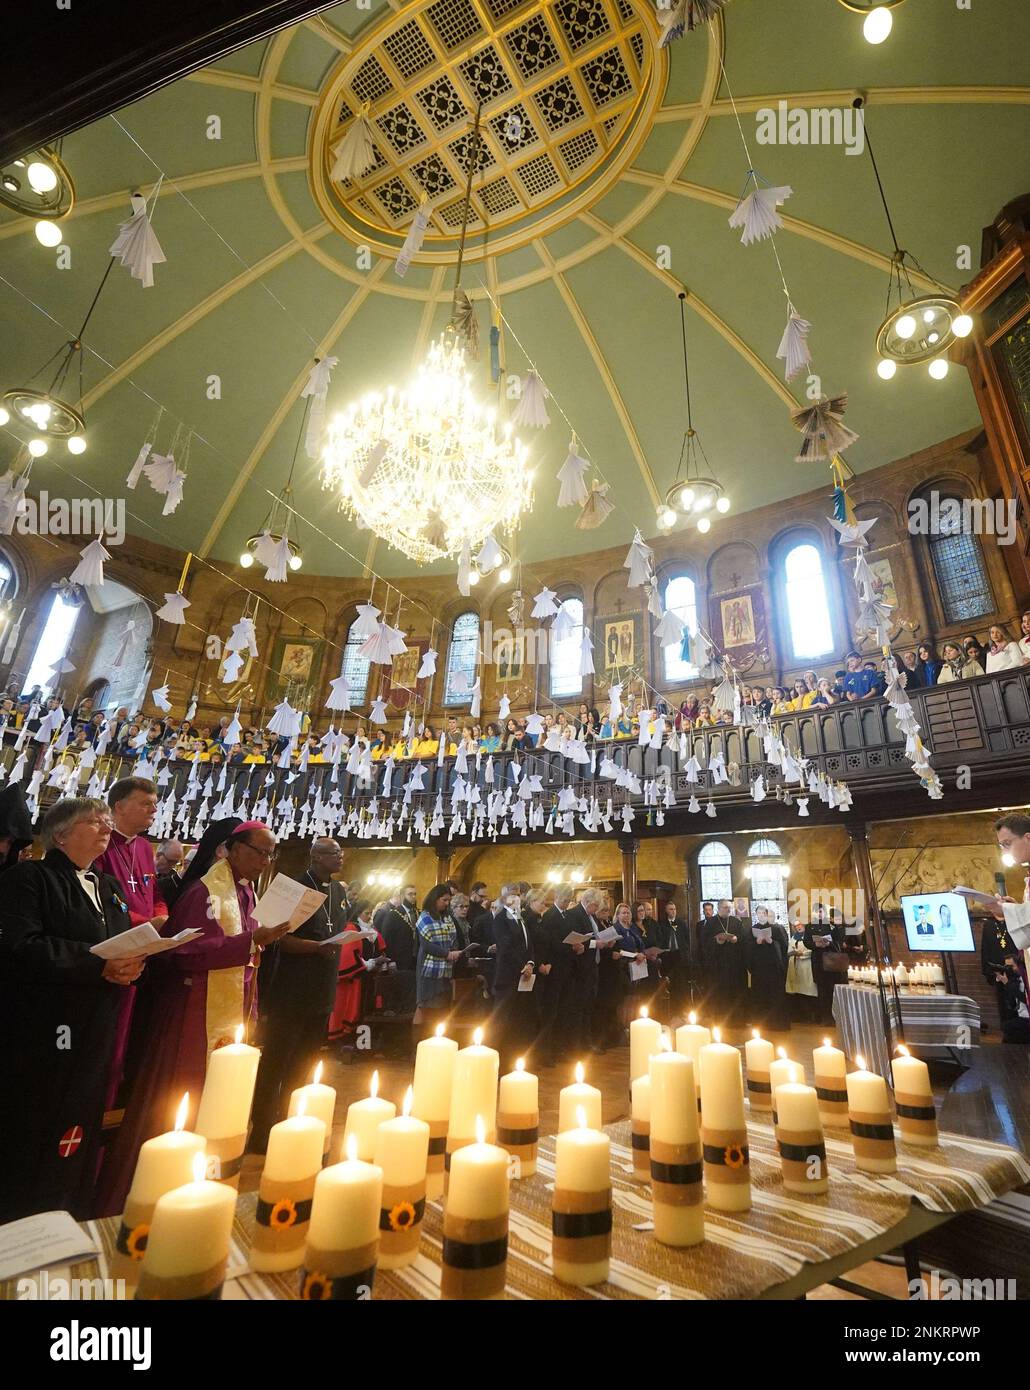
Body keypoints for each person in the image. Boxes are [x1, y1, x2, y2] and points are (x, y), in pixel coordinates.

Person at [0, 797, 146, 1223]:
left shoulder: (109, 887)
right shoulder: (29, 878)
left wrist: (133, 964)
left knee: (81, 1117)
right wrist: (100, 963)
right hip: (43, 1025)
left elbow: (120, 943)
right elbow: (19, 946)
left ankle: (69, 1209)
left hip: (97, 1022)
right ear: (60, 834)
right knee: (38, 1119)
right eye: (94, 821)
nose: (105, 826)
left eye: (106, 820)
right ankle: (23, 1219)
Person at [248, 838, 346, 1151]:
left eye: (341, 853)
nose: (340, 858)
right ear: (315, 856)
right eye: (334, 853)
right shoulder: (289, 887)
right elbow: (270, 938)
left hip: (322, 987)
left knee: (304, 1060)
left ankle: (292, 1120)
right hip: (290, 989)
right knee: (277, 1060)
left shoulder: (339, 891)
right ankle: (262, 1129)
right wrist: (314, 947)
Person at [93, 776, 168, 1109]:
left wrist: (161, 916)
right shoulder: (99, 844)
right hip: (110, 954)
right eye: (145, 803)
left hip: (144, 950)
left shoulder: (143, 847)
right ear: (119, 806)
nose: (153, 809)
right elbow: (99, 898)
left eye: (154, 803)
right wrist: (144, 923)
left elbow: (154, 892)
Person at [489, 885, 537, 1068]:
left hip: (523, 975)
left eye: (518, 895)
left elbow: (528, 944)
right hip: (508, 976)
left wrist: (531, 963)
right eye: (512, 895)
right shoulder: (501, 918)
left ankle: (514, 1060)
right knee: (502, 1022)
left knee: (518, 1021)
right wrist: (521, 967)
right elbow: (505, 947)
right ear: (504, 898)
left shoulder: (519, 917)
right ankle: (498, 1064)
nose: (517, 898)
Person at [328, 899, 386, 1047]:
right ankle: (343, 1041)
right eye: (367, 913)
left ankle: (361, 1044)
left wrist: (380, 961)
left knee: (363, 1011)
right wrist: (368, 964)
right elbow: (348, 956)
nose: (370, 916)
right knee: (347, 1010)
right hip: (353, 980)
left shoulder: (371, 930)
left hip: (368, 979)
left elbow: (380, 948)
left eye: (371, 913)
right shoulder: (351, 928)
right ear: (358, 914)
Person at [536, 886, 576, 1065]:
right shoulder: (550, 916)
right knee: (551, 1011)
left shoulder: (565, 915)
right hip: (554, 968)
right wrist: (570, 946)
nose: (567, 902)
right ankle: (547, 1052)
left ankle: (559, 1048)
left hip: (566, 967)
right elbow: (550, 942)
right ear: (557, 897)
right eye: (565, 899)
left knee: (564, 1010)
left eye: (569, 899)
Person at [414, 884, 460, 1039]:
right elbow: (426, 945)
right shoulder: (425, 917)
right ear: (435, 899)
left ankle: (437, 1041)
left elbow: (453, 938)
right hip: (428, 969)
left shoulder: (447, 917)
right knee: (426, 1007)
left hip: (445, 970)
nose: (447, 903)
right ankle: (419, 1044)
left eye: (449, 900)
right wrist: (447, 953)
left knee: (441, 1009)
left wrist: (455, 951)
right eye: (444, 900)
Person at [741, 906, 788, 1030]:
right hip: (759, 968)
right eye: (758, 913)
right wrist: (756, 943)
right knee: (759, 995)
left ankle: (777, 1023)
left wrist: (771, 941)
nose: (761, 915)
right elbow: (747, 947)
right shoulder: (752, 929)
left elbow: (784, 945)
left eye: (763, 913)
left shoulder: (776, 928)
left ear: (766, 914)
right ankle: (761, 1023)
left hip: (773, 967)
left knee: (775, 995)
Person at [699, 900, 746, 1024]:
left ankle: (736, 1020)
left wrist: (736, 939)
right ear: (719, 908)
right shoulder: (710, 923)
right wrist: (717, 942)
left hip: (734, 964)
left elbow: (744, 938)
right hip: (717, 965)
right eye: (725, 907)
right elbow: (703, 942)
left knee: (734, 992)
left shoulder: (736, 922)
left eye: (730, 908)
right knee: (719, 993)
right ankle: (720, 1019)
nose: (728, 910)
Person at [375, 886, 417, 1015]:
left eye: (415, 894)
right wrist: (391, 959)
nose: (414, 897)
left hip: (413, 959)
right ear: (402, 896)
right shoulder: (393, 915)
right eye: (410, 894)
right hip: (399, 959)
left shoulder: (417, 913)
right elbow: (387, 938)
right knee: (401, 990)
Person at [804, 903, 846, 1025]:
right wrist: (815, 944)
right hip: (818, 960)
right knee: (822, 990)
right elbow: (806, 941)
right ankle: (825, 1017)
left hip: (831, 959)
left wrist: (831, 939)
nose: (819, 914)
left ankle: (836, 1016)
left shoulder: (830, 925)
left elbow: (839, 939)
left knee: (832, 989)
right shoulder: (810, 926)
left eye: (821, 911)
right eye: (817, 912)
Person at [653, 898, 690, 1012]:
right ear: (666, 911)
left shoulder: (682, 923)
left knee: (681, 983)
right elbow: (659, 939)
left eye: (674, 909)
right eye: (670, 909)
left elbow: (687, 938)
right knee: (669, 983)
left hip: (680, 956)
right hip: (667, 956)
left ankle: (682, 1008)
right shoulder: (661, 924)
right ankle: (670, 1009)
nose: (673, 911)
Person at [785, 920, 818, 1021]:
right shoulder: (793, 937)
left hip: (807, 965)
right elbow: (789, 949)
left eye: (800, 925)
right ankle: (800, 1015)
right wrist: (793, 952)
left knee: (808, 989)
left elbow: (812, 949)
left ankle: (811, 1015)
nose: (798, 927)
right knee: (798, 990)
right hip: (796, 966)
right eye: (796, 926)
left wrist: (803, 954)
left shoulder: (809, 936)